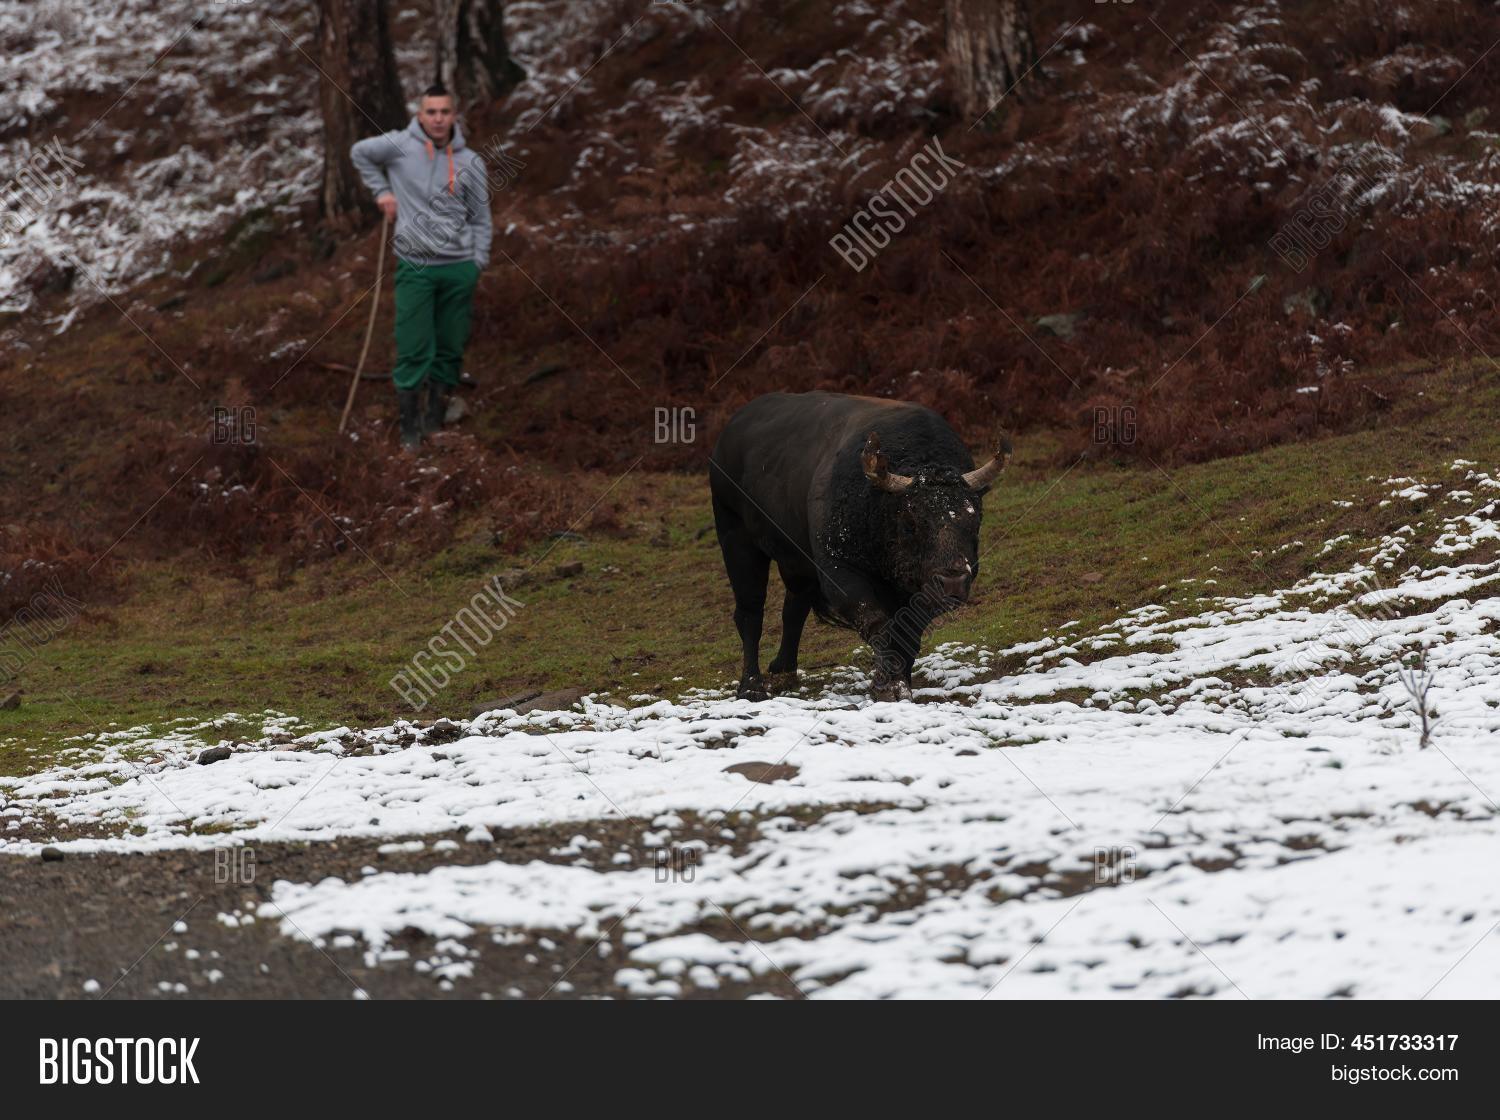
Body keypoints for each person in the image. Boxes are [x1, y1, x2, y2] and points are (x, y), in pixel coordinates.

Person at [351, 84, 493, 450]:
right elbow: (359, 152)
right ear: (420, 115)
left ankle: (434, 423)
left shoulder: (471, 162)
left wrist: (477, 261)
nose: (438, 119)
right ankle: (409, 431)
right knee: (413, 346)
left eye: (445, 112)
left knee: (450, 347)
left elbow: (481, 218)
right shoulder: (400, 145)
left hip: (459, 267)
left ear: (454, 116)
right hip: (416, 265)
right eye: (431, 112)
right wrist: (382, 192)